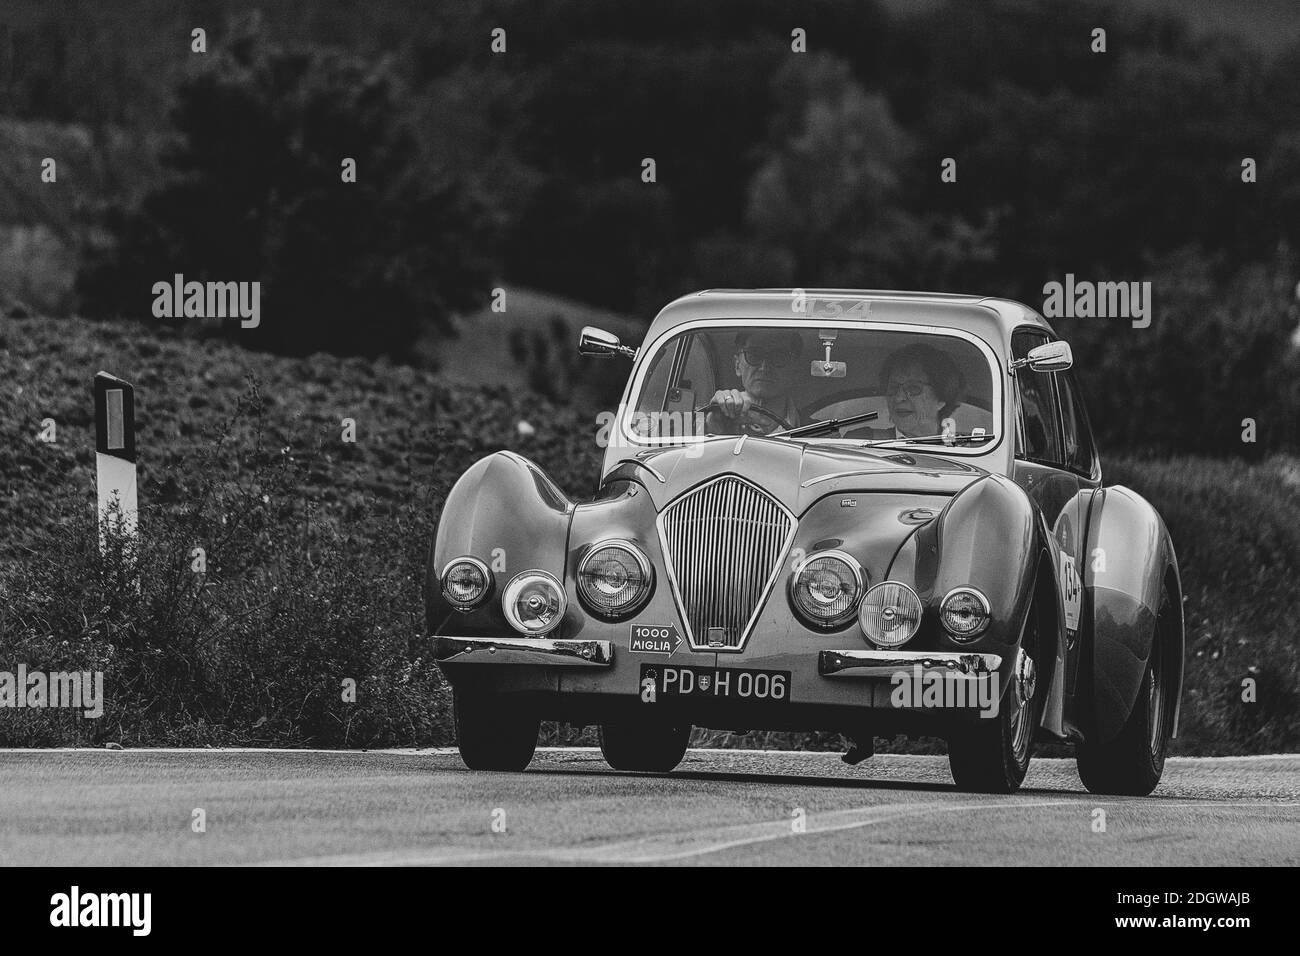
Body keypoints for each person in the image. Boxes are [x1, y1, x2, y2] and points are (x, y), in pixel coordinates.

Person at [847, 343, 990, 441]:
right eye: (893, 388)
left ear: (941, 398)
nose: (898, 398)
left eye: (913, 388)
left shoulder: (965, 449)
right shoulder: (862, 441)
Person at [705, 329, 803, 435]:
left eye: (778, 357)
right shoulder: (713, 418)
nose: (764, 368)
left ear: (795, 370)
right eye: (754, 355)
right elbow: (688, 449)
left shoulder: (816, 431)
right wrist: (712, 427)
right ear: (737, 365)